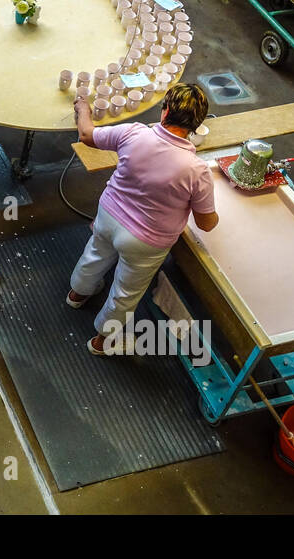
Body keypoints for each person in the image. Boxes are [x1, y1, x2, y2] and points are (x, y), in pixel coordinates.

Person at [67, 83, 219, 355]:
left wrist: (83, 108)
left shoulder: (133, 133)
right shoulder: (197, 170)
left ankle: (77, 294)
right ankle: (101, 341)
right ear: (196, 125)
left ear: (165, 111)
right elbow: (206, 223)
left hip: (108, 214)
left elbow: (87, 135)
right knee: (125, 291)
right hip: (145, 241)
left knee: (95, 253)